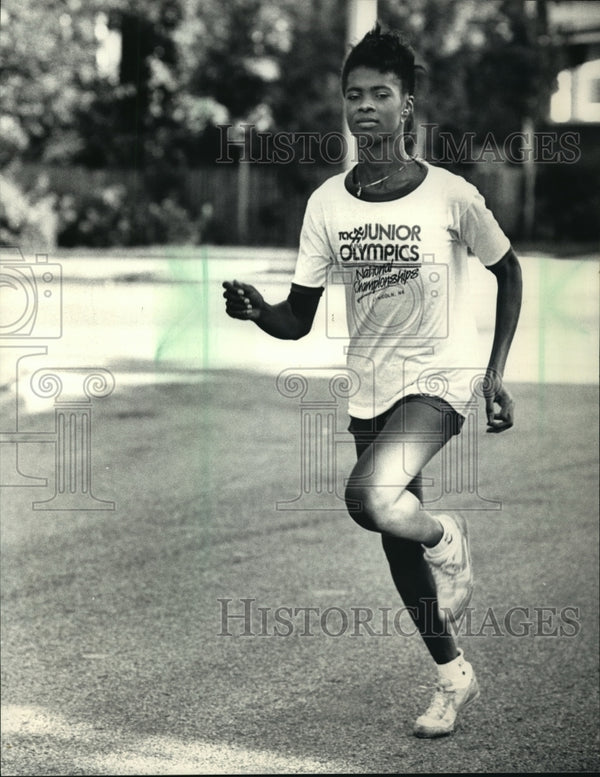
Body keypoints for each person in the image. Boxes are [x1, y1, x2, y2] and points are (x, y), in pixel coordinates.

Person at [222, 24, 522, 738]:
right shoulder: (328, 202)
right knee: (394, 534)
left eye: (381, 94)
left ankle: (449, 537)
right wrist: (259, 311)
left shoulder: (450, 195)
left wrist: (495, 372)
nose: (365, 107)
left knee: (368, 496)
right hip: (370, 384)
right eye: (354, 94)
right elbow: (299, 316)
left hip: (440, 375)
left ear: (408, 106)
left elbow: (507, 269)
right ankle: (453, 676)